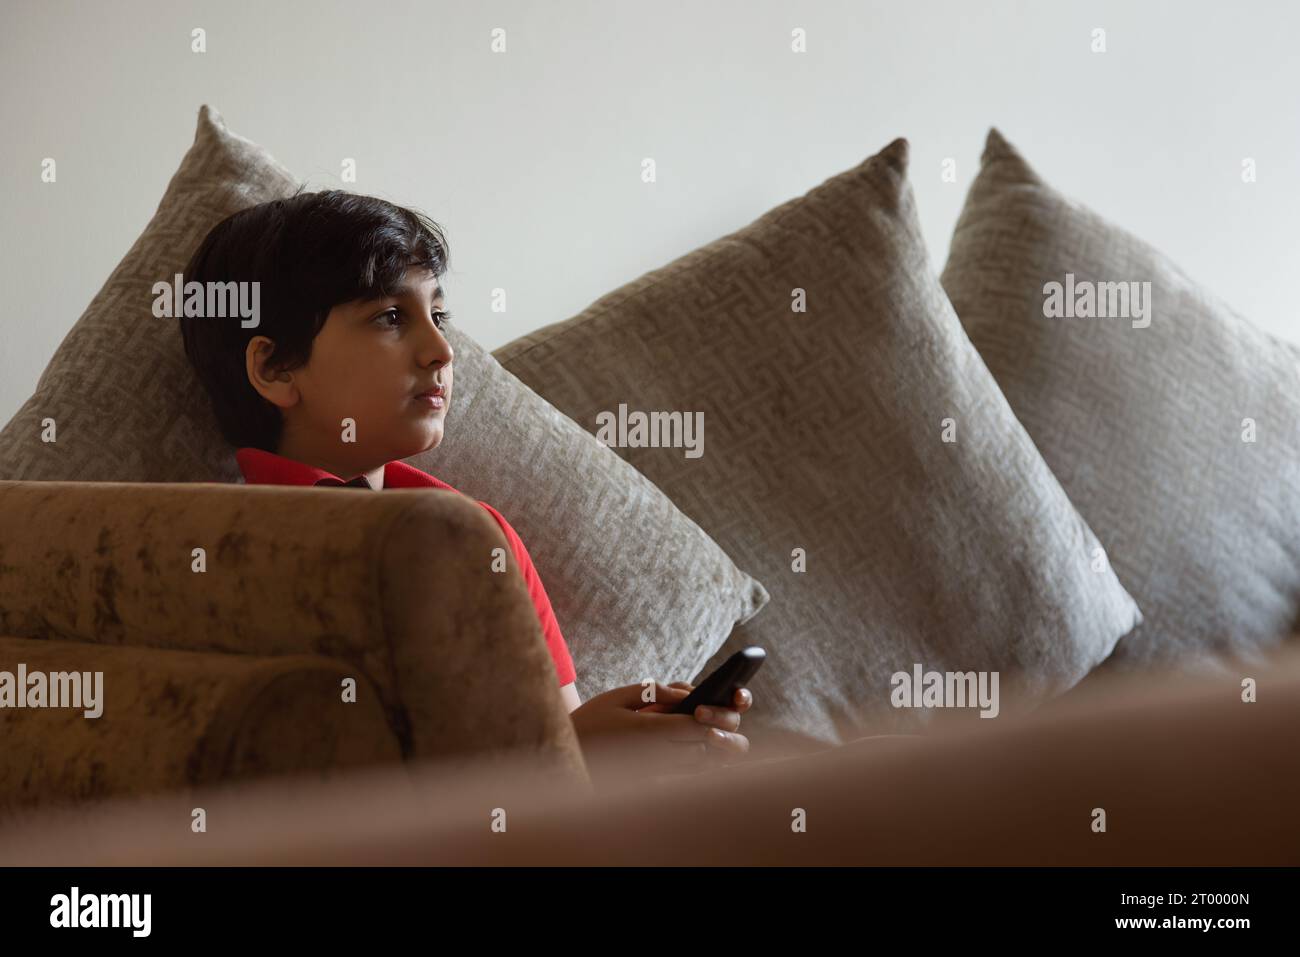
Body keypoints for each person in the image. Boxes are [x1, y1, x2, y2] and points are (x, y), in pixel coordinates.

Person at [178, 188, 752, 783]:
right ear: (275, 369)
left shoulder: (481, 533)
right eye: (390, 317)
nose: (442, 350)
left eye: (439, 314)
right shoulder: (226, 553)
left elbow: (560, 750)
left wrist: (610, 746)